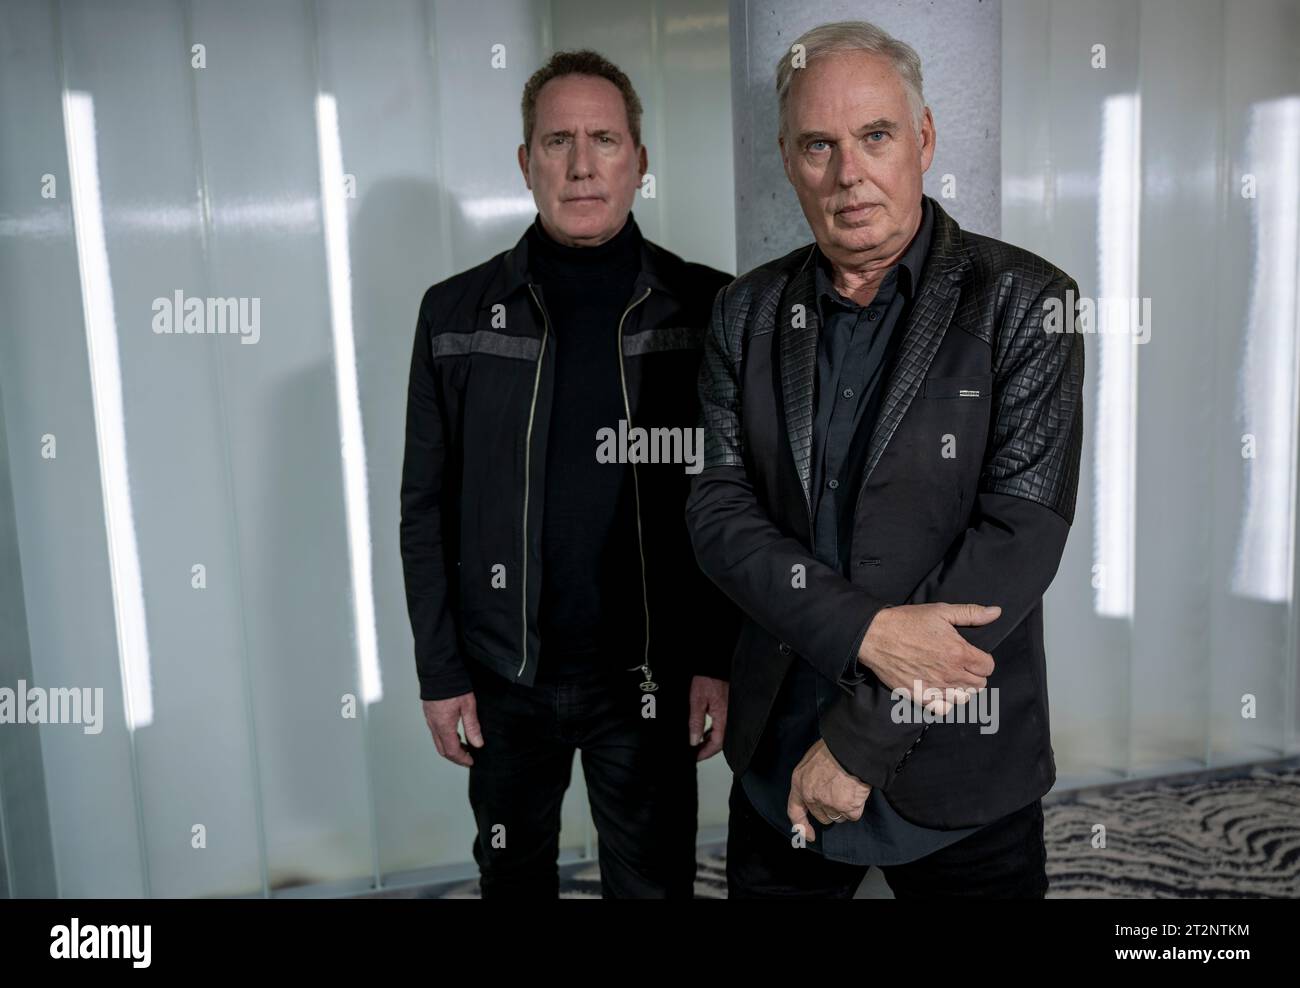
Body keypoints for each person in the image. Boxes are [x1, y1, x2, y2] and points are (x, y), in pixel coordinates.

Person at [686, 20, 1084, 898]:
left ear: (925, 139)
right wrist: (864, 631)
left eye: (875, 136)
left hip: (960, 765)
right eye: (817, 146)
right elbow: (716, 514)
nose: (848, 172)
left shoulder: (1028, 302)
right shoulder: (743, 315)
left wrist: (860, 740)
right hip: (778, 752)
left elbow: (1016, 543)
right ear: (789, 161)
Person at [400, 49, 736, 898]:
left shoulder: (707, 308)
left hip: (649, 673)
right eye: (557, 141)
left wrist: (717, 657)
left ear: (639, 162)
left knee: (656, 885)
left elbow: (736, 504)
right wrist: (440, 673)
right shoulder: (456, 314)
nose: (582, 165)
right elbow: (423, 508)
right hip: (506, 674)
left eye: (604, 140)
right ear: (525, 163)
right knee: (512, 879)